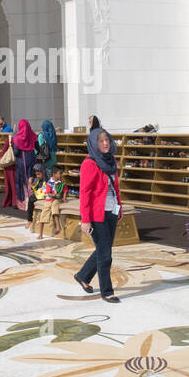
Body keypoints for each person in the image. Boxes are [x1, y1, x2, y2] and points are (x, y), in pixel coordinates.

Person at [71, 126, 123, 303]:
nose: (105, 143)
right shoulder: (89, 164)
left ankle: (83, 276)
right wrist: (85, 219)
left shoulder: (110, 161)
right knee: (105, 254)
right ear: (94, 143)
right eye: (101, 141)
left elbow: (115, 187)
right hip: (97, 215)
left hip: (111, 211)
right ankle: (107, 291)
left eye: (107, 140)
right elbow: (84, 193)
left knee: (104, 249)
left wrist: (119, 207)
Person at [32, 166, 66, 238]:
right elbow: (48, 193)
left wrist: (64, 198)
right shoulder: (49, 183)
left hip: (56, 199)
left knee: (54, 207)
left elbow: (65, 190)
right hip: (49, 199)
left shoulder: (61, 182)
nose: (61, 175)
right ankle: (40, 234)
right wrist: (54, 194)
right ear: (54, 174)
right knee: (44, 214)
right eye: (60, 173)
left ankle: (58, 226)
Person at [11, 118, 37, 210]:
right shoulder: (33, 135)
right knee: (31, 179)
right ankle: (33, 201)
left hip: (21, 162)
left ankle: (23, 203)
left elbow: (16, 152)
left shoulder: (17, 138)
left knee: (21, 182)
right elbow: (37, 147)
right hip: (32, 159)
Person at [0, 132, 18, 208]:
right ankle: (15, 201)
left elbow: (3, 151)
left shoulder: (9, 139)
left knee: (9, 185)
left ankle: (9, 201)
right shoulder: (19, 139)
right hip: (16, 165)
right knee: (15, 185)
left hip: (8, 165)